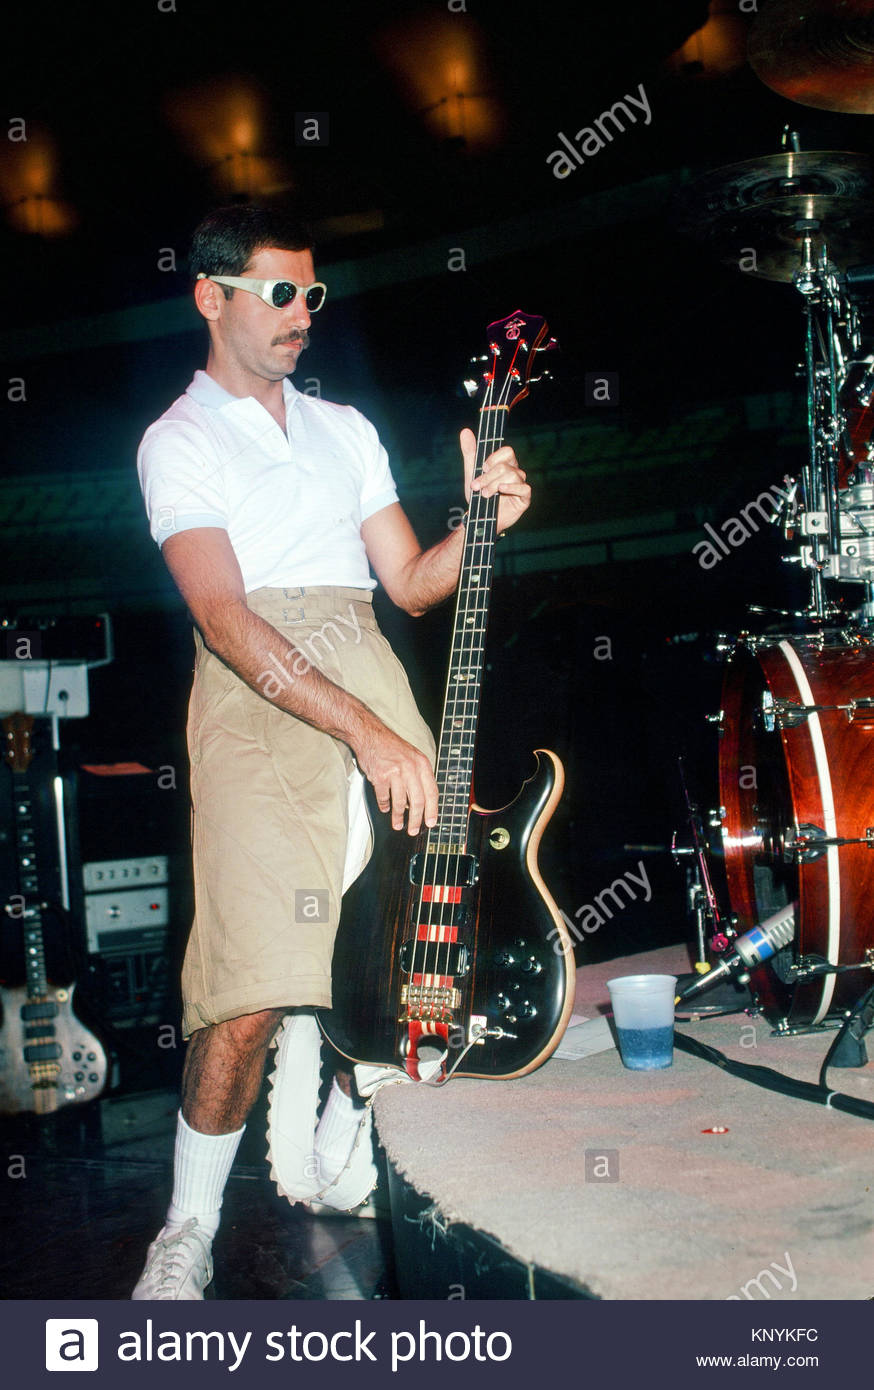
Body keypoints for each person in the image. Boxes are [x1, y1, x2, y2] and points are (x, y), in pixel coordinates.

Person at [131, 203, 531, 1299]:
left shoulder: (345, 426)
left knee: (393, 955)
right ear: (210, 297)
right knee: (251, 984)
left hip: (363, 666)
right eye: (277, 292)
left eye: (311, 293)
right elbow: (222, 618)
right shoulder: (178, 439)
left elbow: (408, 584)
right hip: (262, 690)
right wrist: (363, 730)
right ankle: (187, 1228)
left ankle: (356, 1159)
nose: (300, 312)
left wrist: (480, 520)